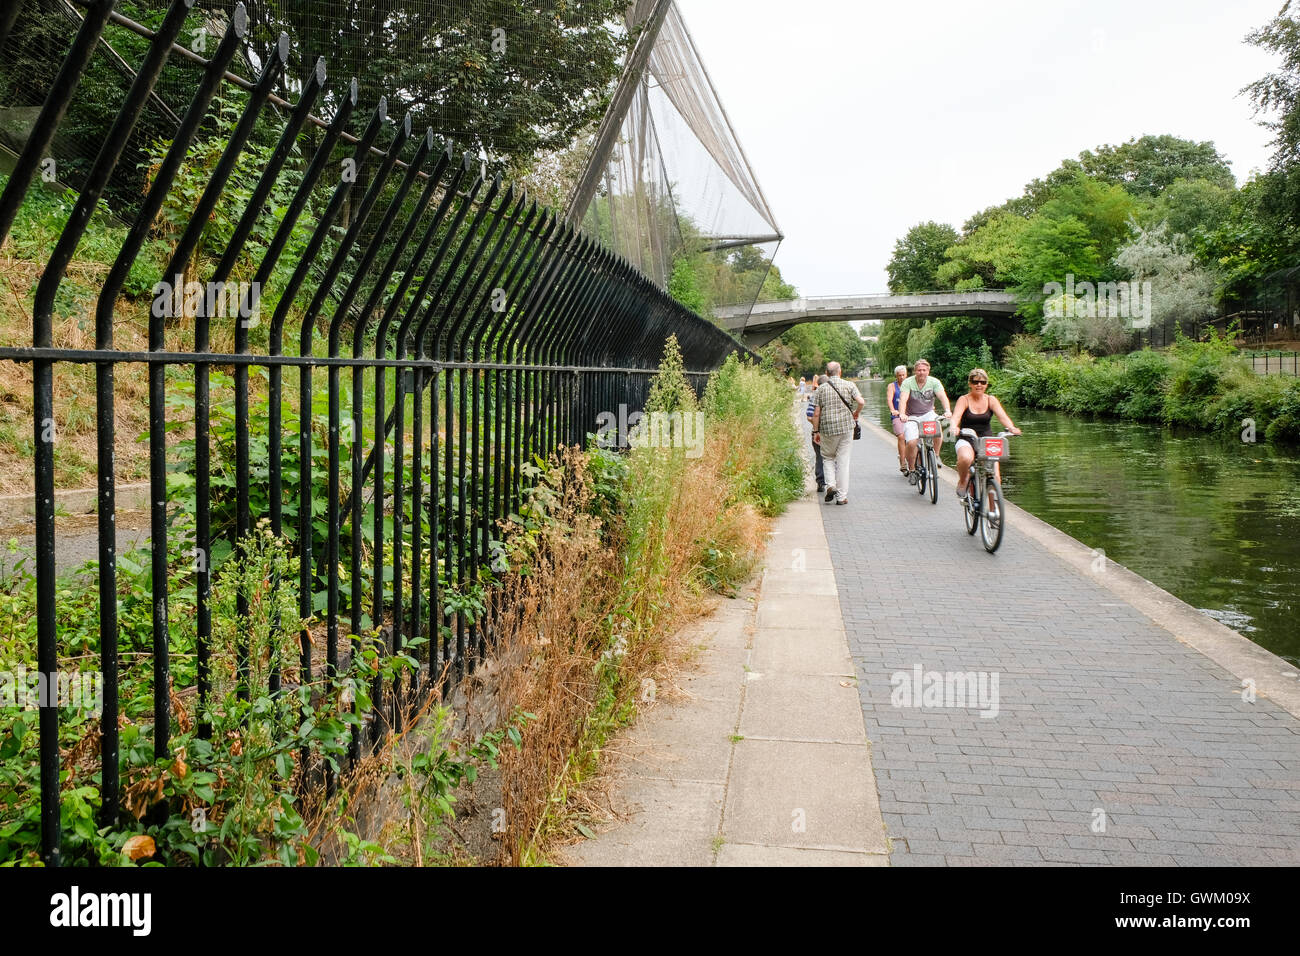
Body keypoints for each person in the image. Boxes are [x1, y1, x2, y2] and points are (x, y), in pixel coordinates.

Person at [950, 367, 1020, 501]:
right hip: (967, 438)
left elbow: (1003, 417)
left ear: (986, 384)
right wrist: (954, 427)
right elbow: (956, 417)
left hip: (987, 441)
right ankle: (963, 480)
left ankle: (995, 515)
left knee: (995, 477)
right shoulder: (963, 399)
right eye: (975, 382)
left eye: (982, 382)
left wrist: (1011, 427)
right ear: (970, 384)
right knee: (965, 458)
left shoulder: (991, 400)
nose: (979, 385)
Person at [811, 361, 864, 505]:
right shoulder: (850, 385)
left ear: (827, 373)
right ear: (840, 372)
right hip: (846, 428)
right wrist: (856, 413)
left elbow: (816, 413)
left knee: (827, 458)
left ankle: (830, 485)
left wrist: (816, 431)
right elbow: (861, 401)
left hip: (827, 429)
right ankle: (841, 497)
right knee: (843, 462)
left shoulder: (820, 389)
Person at [897, 358, 952, 485]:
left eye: (924, 370)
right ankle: (912, 470)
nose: (921, 372)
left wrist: (947, 410)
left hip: (928, 414)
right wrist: (902, 414)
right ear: (915, 371)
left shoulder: (934, 382)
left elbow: (942, 397)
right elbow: (903, 399)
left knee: (937, 428)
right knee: (911, 443)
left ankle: (936, 456)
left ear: (928, 371)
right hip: (912, 416)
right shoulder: (908, 383)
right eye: (919, 370)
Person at [885, 364, 908, 474]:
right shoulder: (892, 386)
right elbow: (890, 400)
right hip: (897, 415)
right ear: (896, 376)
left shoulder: (911, 385)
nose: (902, 377)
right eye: (899, 375)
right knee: (901, 436)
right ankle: (903, 462)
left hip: (910, 415)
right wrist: (893, 409)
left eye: (904, 375)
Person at [805, 374, 825, 492]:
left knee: (819, 456)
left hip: (817, 432)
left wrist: (816, 426)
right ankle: (833, 483)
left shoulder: (814, 396)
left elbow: (809, 415)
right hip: (831, 432)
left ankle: (821, 482)